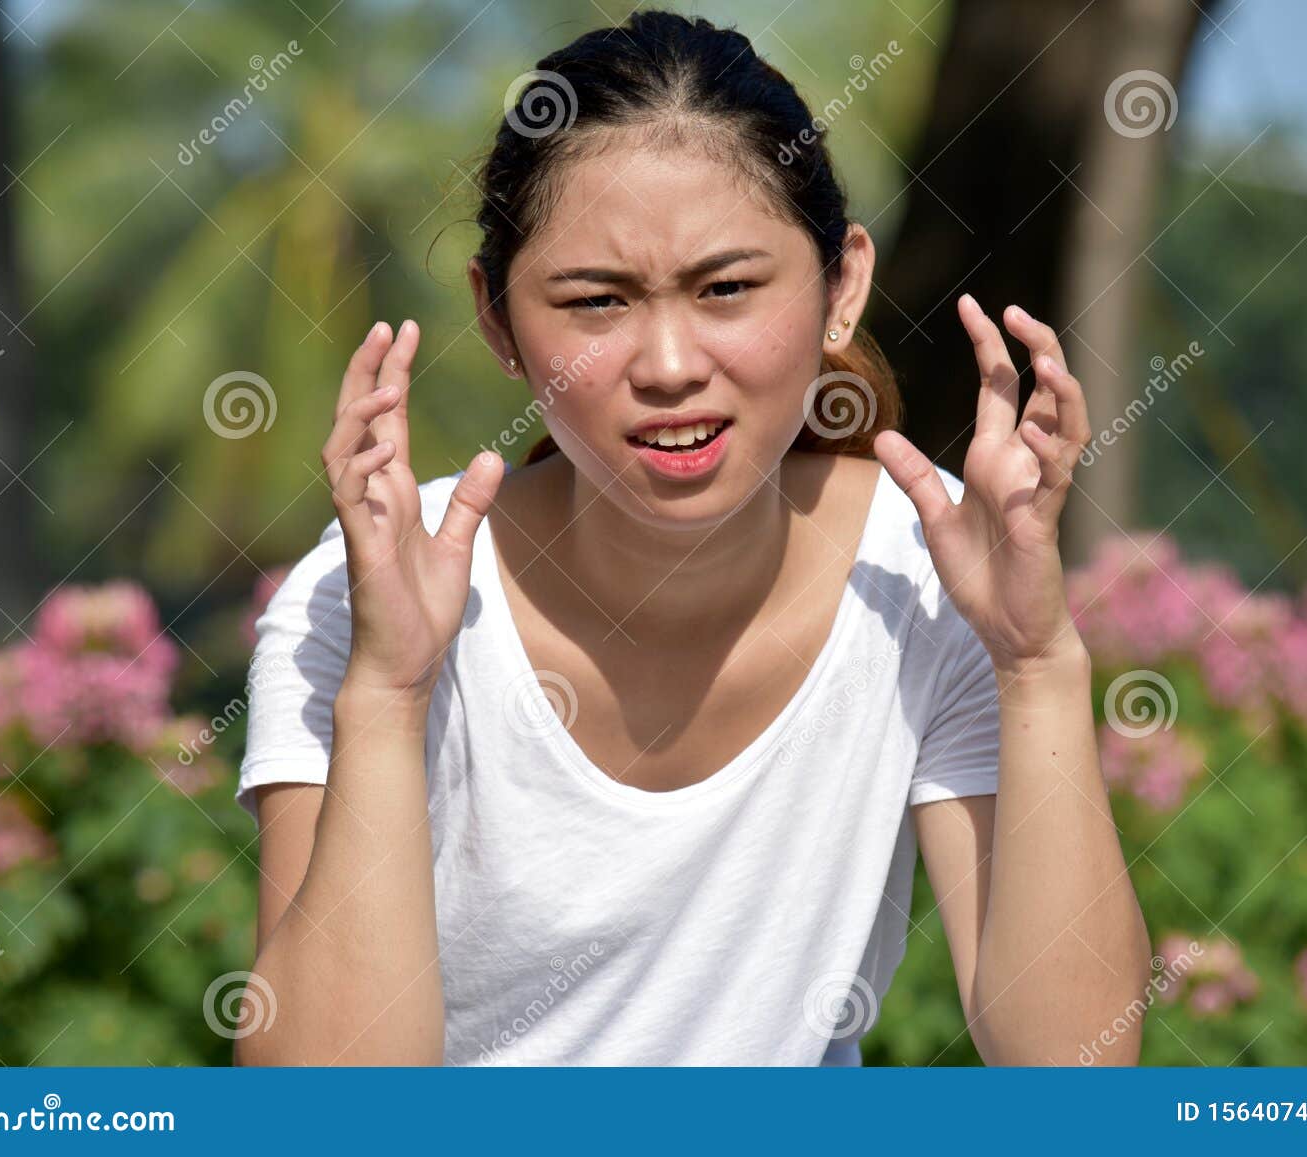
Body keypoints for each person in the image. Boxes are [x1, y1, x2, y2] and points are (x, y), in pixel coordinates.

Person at [234, 9, 1149, 1066]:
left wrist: (1036, 663)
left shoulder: (932, 569)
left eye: (727, 289)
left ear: (842, 286)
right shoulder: (368, 592)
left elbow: (1074, 1072)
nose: (669, 365)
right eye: (595, 300)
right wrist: (388, 693)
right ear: (496, 320)